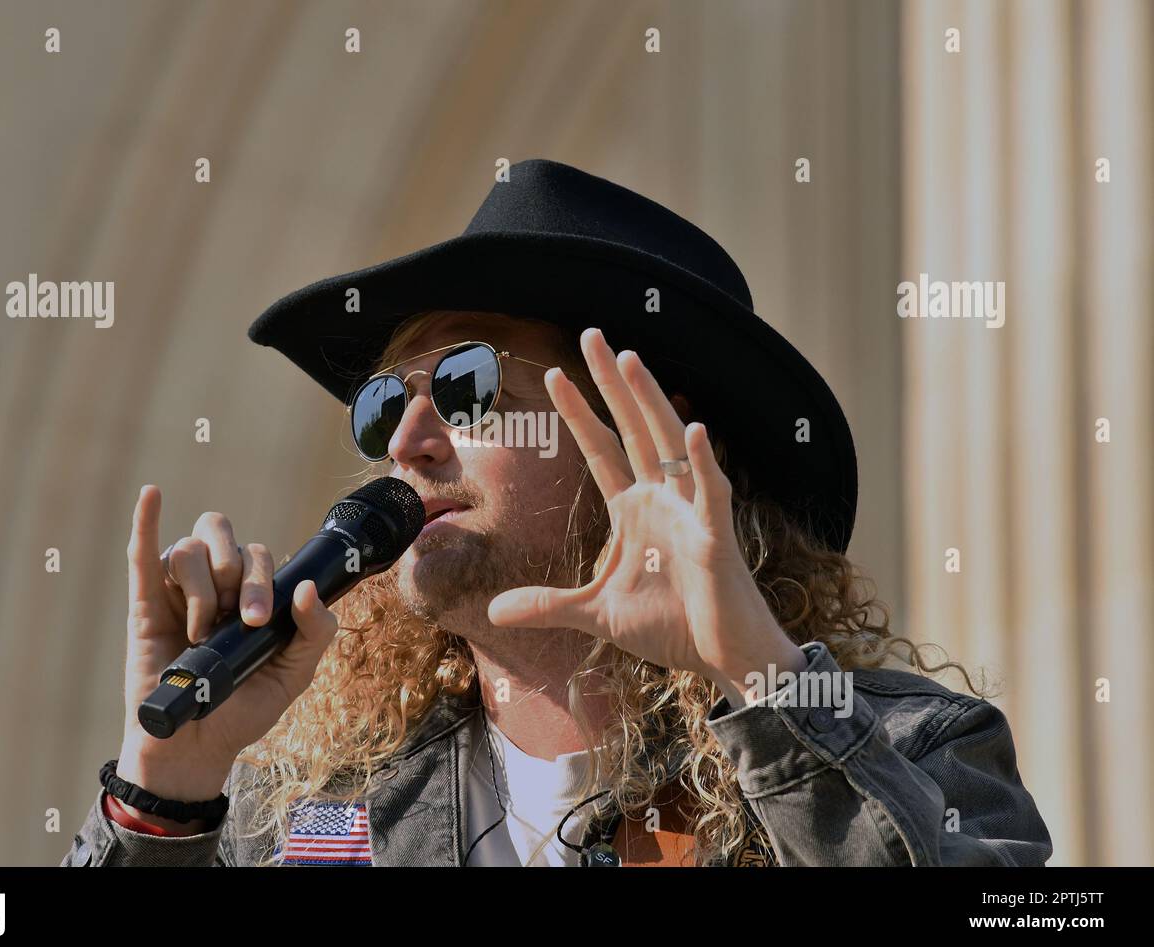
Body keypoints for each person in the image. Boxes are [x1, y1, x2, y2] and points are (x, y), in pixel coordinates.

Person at [61, 159, 1051, 867]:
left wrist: (757, 675)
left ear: (651, 427)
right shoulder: (318, 815)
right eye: (381, 403)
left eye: (464, 384)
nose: (405, 442)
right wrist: (164, 790)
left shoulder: (916, 746)